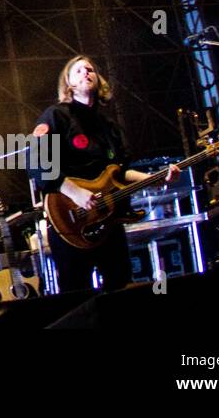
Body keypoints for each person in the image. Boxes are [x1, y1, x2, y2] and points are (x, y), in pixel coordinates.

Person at [28, 55, 179, 292]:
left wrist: (156, 178)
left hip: (108, 221)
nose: (86, 73)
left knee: (120, 284)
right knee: (77, 294)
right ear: (69, 83)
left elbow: (121, 171)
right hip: (70, 219)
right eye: (78, 71)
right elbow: (37, 162)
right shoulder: (56, 116)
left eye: (90, 69)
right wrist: (76, 193)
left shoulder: (108, 126)